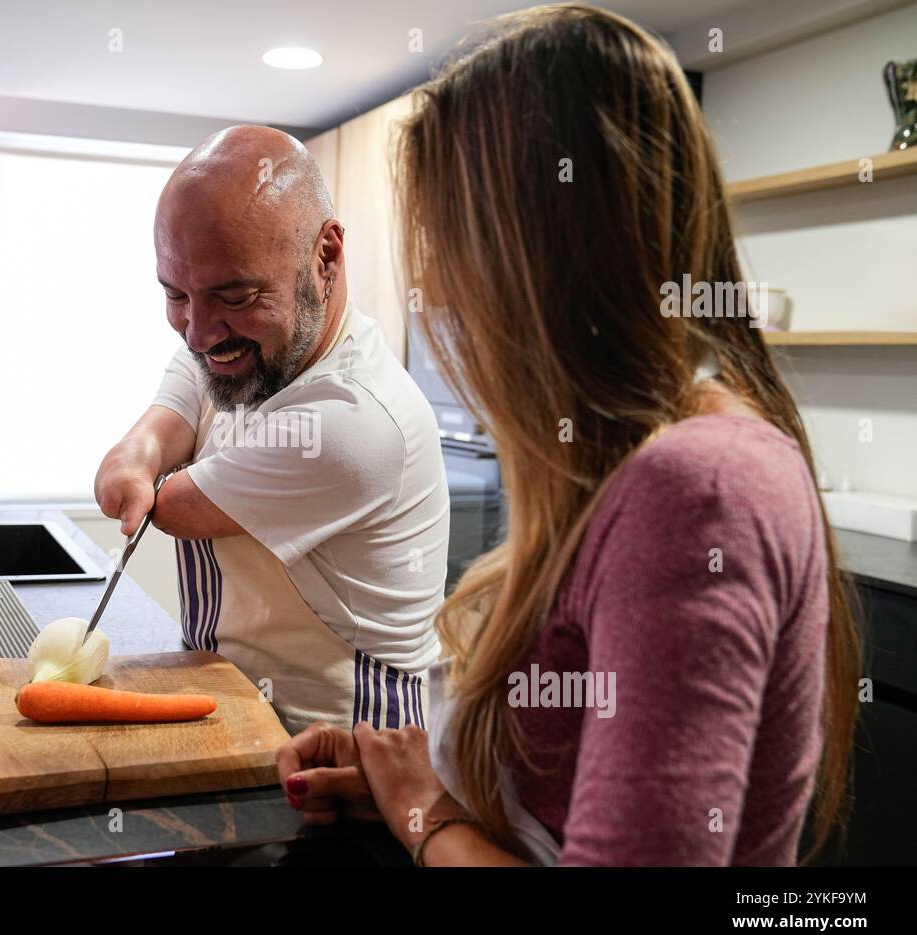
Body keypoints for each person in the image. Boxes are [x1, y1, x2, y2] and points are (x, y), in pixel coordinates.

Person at [275, 3, 858, 866]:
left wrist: (424, 816)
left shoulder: (696, 490)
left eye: (447, 242)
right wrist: (417, 780)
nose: (434, 287)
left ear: (534, 258)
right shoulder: (628, 462)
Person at [94, 125, 450, 734]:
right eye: (176, 294)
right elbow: (169, 411)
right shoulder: (238, 350)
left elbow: (173, 506)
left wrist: (147, 469)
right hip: (235, 721)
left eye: (235, 295)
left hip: (347, 758)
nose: (199, 331)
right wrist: (136, 455)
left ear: (327, 257)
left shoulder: (349, 420)